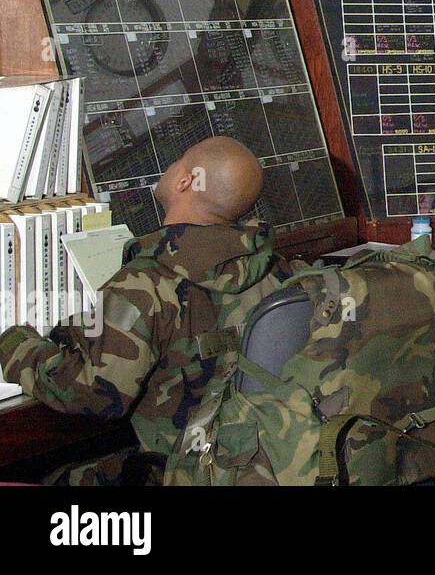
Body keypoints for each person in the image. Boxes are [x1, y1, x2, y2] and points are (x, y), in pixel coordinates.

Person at [0, 136, 282, 484]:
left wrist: (17, 344)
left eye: (179, 158)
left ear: (186, 181)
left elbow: (94, 393)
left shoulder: (146, 283)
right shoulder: (278, 271)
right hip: (251, 462)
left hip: (181, 469)